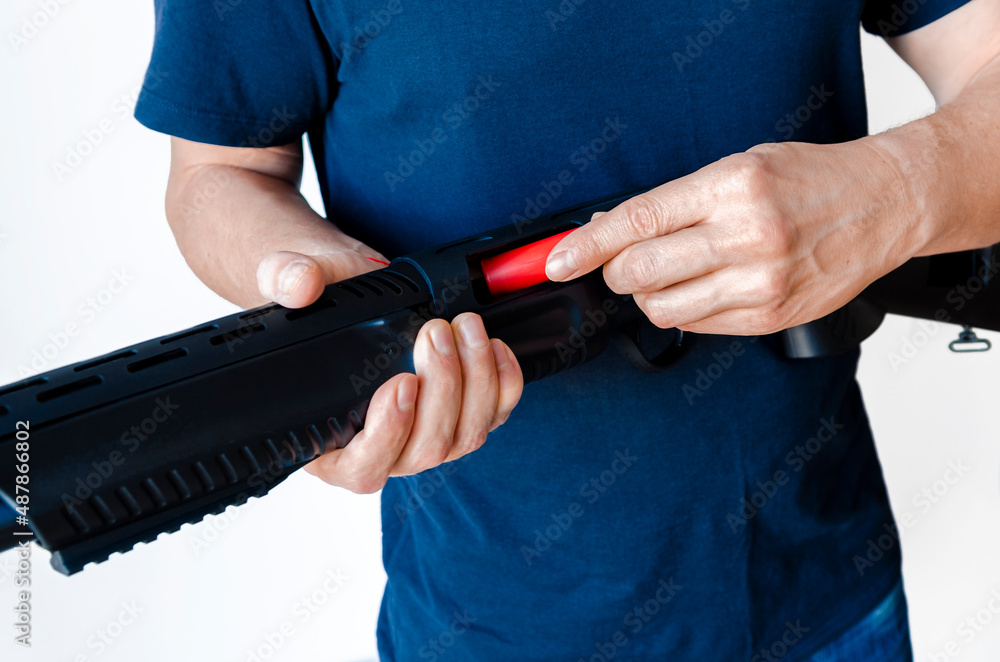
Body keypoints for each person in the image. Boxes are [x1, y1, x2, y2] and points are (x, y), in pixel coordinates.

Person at [134, 0, 1000, 659]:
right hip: (482, 622)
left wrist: (896, 191)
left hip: (825, 597)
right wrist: (325, 302)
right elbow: (220, 170)